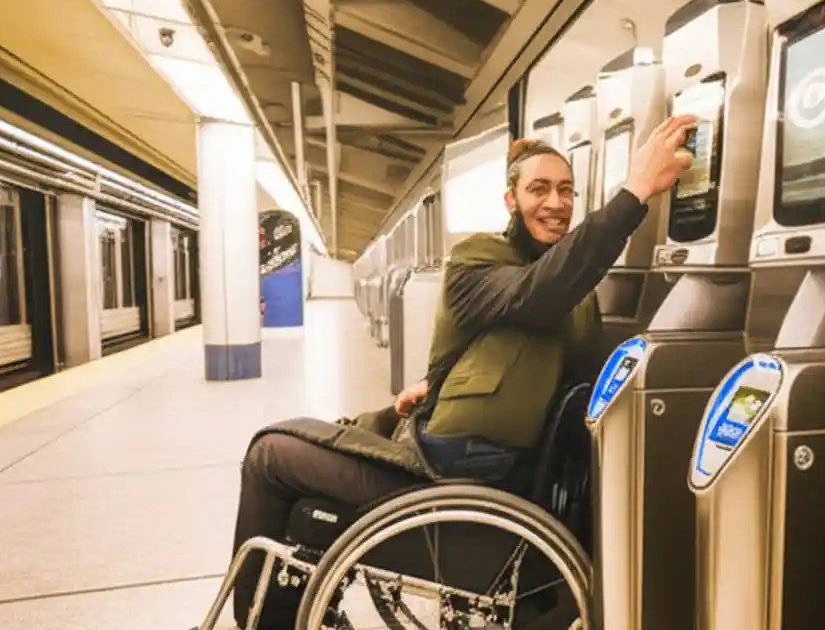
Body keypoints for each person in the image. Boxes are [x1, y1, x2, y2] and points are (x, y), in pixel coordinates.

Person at [222, 114, 697, 627]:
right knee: (293, 464)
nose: (556, 203)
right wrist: (419, 397)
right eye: (539, 189)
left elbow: (539, 300)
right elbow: (529, 302)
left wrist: (635, 192)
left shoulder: (562, 286)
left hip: (455, 480)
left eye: (566, 190)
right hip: (457, 466)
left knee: (269, 455)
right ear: (510, 201)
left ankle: (258, 622)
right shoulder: (481, 262)